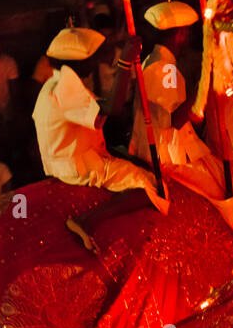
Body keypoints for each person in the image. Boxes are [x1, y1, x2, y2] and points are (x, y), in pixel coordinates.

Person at [131, 0, 233, 229]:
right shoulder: (165, 68)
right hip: (164, 156)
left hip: (170, 146)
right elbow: (176, 118)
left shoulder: (156, 61)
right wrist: (205, 80)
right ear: (181, 34)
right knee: (230, 183)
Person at [32, 24, 168, 212]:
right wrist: (125, 63)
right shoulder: (64, 86)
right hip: (75, 166)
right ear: (80, 62)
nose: (97, 62)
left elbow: (102, 107)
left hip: (85, 156)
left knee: (140, 165)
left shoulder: (62, 81)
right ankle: (88, 223)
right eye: (93, 58)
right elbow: (113, 108)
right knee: (151, 187)